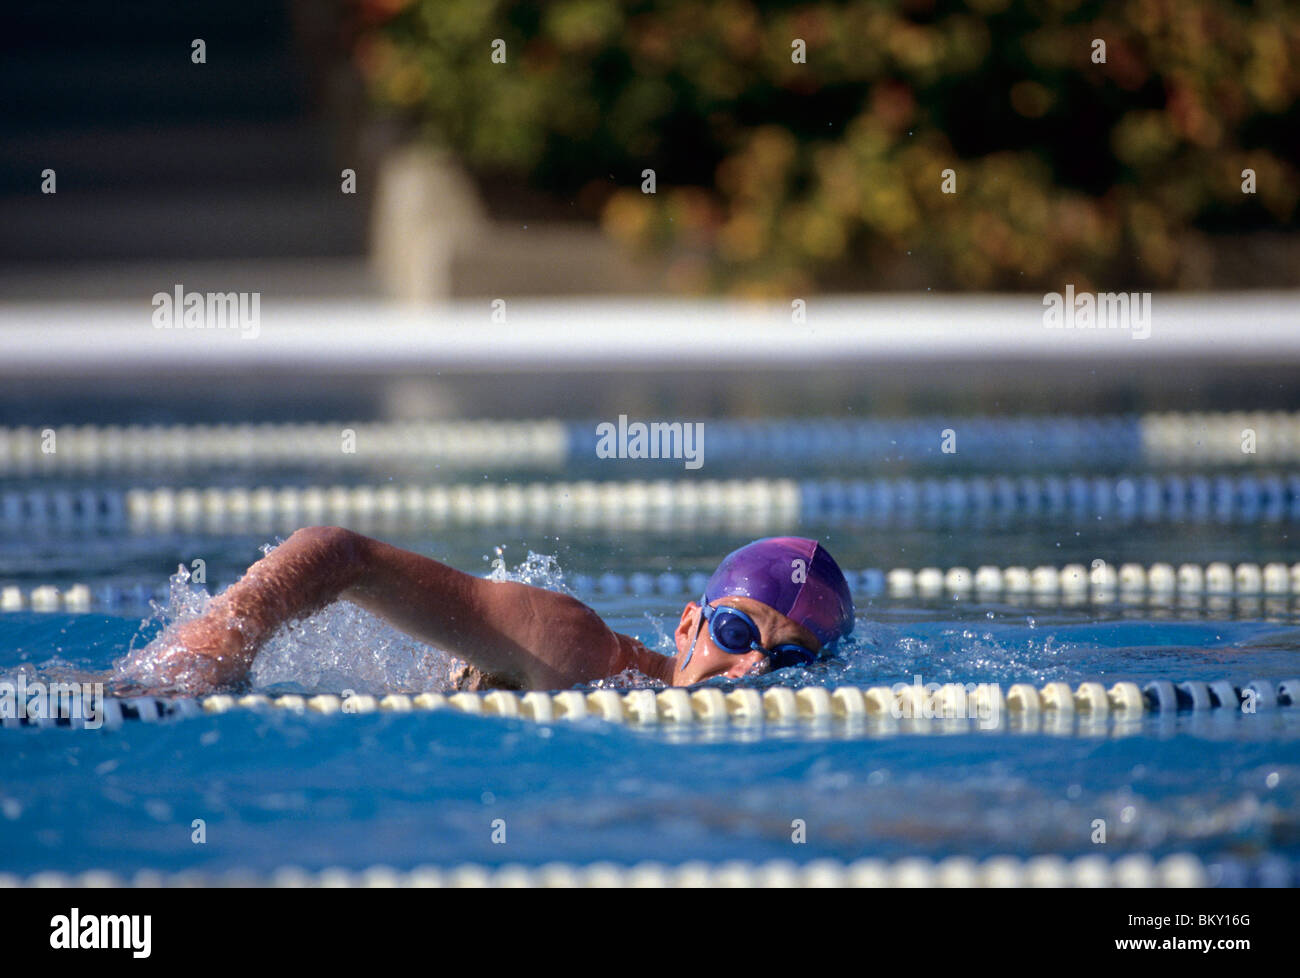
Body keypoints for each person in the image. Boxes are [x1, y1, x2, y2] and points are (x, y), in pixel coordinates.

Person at [136, 526, 855, 694]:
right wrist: (208, 649)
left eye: (788, 659)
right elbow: (337, 553)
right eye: (736, 631)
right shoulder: (575, 650)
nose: (753, 665)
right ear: (689, 624)